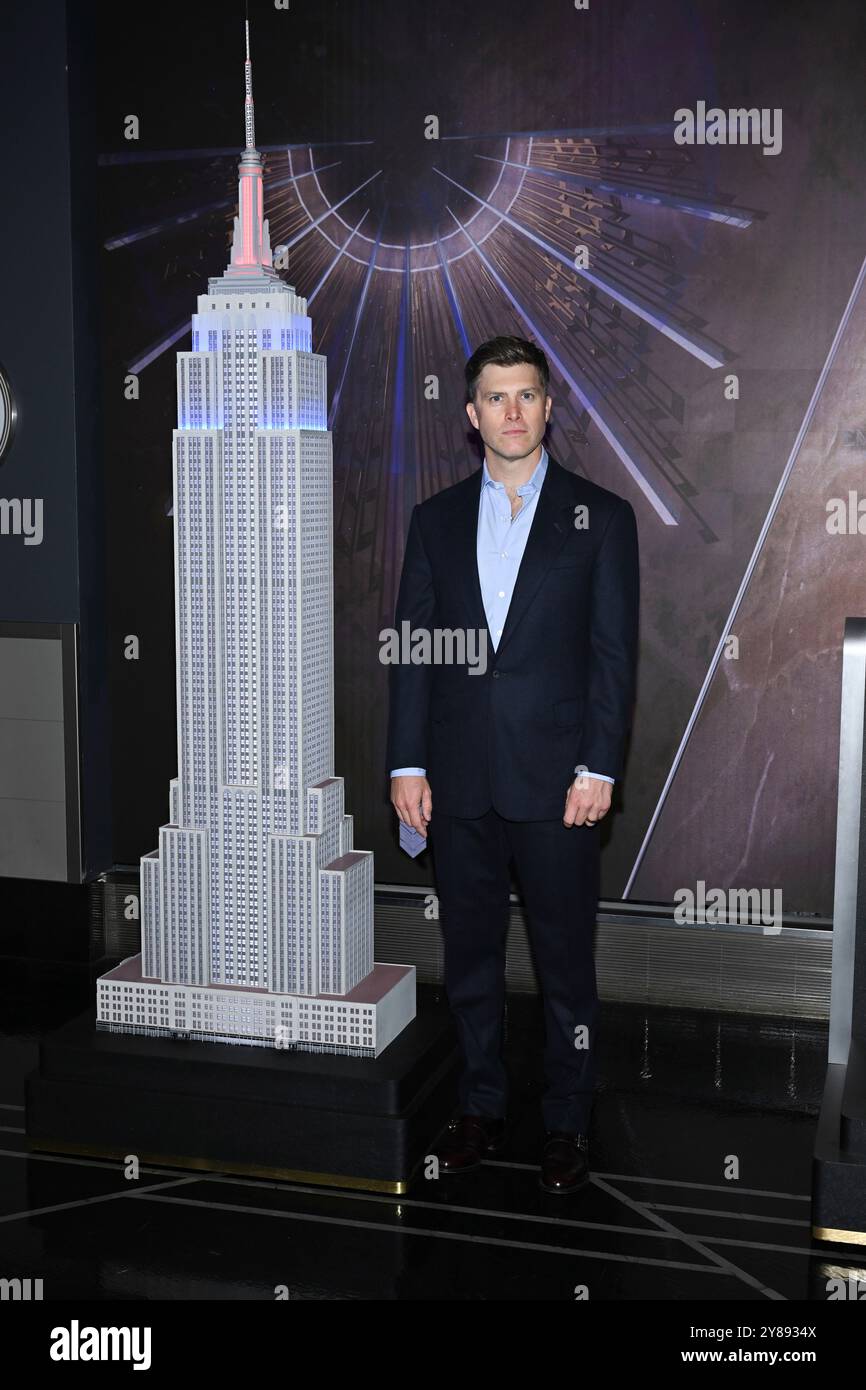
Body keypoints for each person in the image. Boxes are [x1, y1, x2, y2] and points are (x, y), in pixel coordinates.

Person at [386, 336, 639, 1194]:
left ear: (548, 406)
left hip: (559, 786)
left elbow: (613, 657)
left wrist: (600, 767)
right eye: (496, 398)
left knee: (567, 965)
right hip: (456, 785)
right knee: (470, 961)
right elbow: (414, 650)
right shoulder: (435, 520)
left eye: (527, 395)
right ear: (471, 414)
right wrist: (406, 763)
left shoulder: (601, 517)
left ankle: (569, 1120)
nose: (513, 412)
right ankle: (481, 1106)